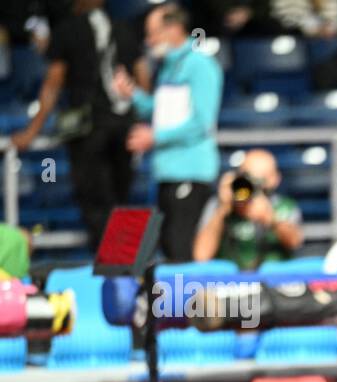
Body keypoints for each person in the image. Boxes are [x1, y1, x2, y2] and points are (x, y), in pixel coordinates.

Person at [10, 0, 144, 250]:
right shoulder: (123, 28)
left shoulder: (68, 29)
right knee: (122, 201)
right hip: (124, 127)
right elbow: (143, 78)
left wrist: (31, 131)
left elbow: (52, 84)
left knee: (97, 205)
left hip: (88, 130)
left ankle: (115, 271)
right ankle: (127, 270)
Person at [112, 2, 223, 262]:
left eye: (154, 33)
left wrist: (154, 138)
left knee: (180, 247)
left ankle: (188, 304)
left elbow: (201, 122)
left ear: (174, 28)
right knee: (168, 246)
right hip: (167, 172)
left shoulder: (200, 66)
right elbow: (161, 111)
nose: (149, 41)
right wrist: (134, 95)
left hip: (191, 173)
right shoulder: (166, 68)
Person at [192, 149, 303, 270]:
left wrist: (271, 219)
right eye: (248, 177)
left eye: (260, 179)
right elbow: (201, 256)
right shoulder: (220, 204)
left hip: (274, 282)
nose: (253, 186)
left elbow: (295, 243)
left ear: (275, 179)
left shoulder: (284, 205)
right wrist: (222, 211)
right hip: (230, 285)